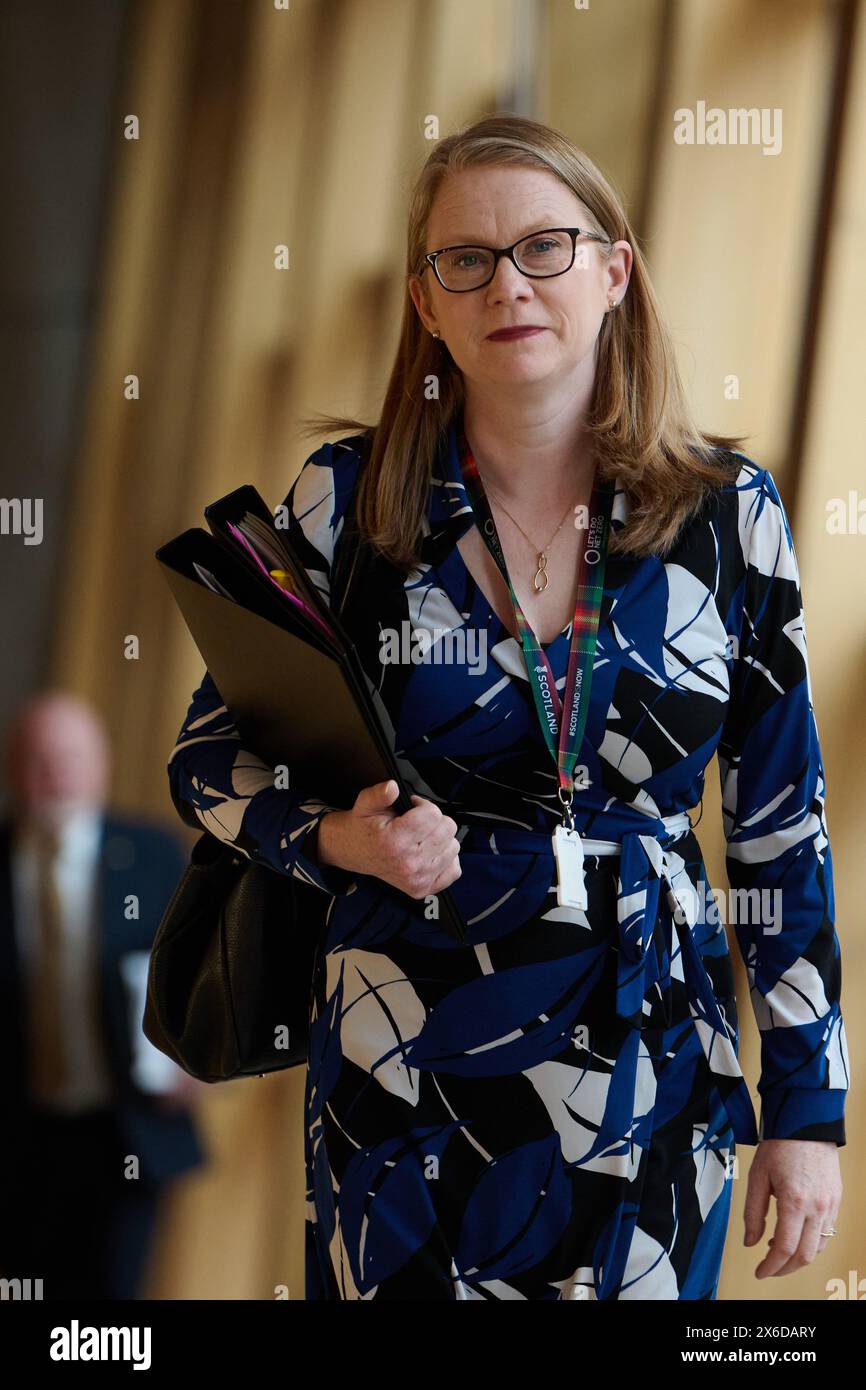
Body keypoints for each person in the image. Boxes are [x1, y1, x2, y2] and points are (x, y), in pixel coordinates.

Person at [166, 114, 848, 1300]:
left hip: (652, 1062)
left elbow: (779, 829)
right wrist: (334, 840)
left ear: (611, 272)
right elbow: (208, 757)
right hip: (403, 1060)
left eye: (543, 247)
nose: (506, 285)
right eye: (463, 260)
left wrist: (807, 1109)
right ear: (426, 303)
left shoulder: (726, 514)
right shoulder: (345, 504)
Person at [0, 690, 207, 1299]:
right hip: (19, 1135)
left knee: (113, 1313)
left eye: (72, 757)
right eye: (41, 759)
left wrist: (198, 1060)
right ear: (14, 769)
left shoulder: (152, 854)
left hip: (127, 1133)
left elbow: (201, 980)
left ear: (102, 765)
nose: (58, 774)